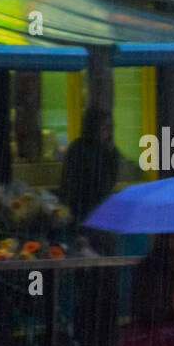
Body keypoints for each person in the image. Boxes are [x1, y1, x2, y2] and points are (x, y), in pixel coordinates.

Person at [61, 106, 122, 254]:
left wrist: (110, 154)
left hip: (100, 214)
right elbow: (73, 184)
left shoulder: (108, 151)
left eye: (110, 128)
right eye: (105, 128)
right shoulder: (80, 150)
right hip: (84, 213)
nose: (108, 133)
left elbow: (110, 181)